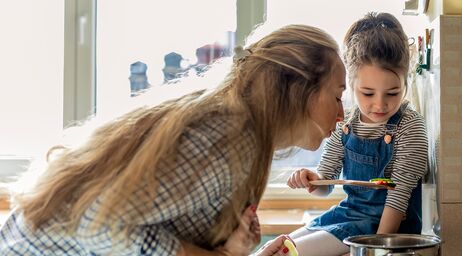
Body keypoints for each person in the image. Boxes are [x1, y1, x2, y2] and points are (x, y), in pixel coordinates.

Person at [0, 24, 347, 256]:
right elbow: (100, 224)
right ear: (299, 89)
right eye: (337, 95)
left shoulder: (241, 138)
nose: (341, 114)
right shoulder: (228, 141)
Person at [285, 12, 428, 256]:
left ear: (406, 81)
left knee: (292, 253)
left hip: (387, 226)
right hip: (348, 214)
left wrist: (377, 248)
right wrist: (313, 180)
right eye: (368, 93)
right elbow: (326, 185)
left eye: (392, 93)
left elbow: (398, 198)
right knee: (281, 246)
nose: (380, 105)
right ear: (350, 84)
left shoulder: (409, 126)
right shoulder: (345, 125)